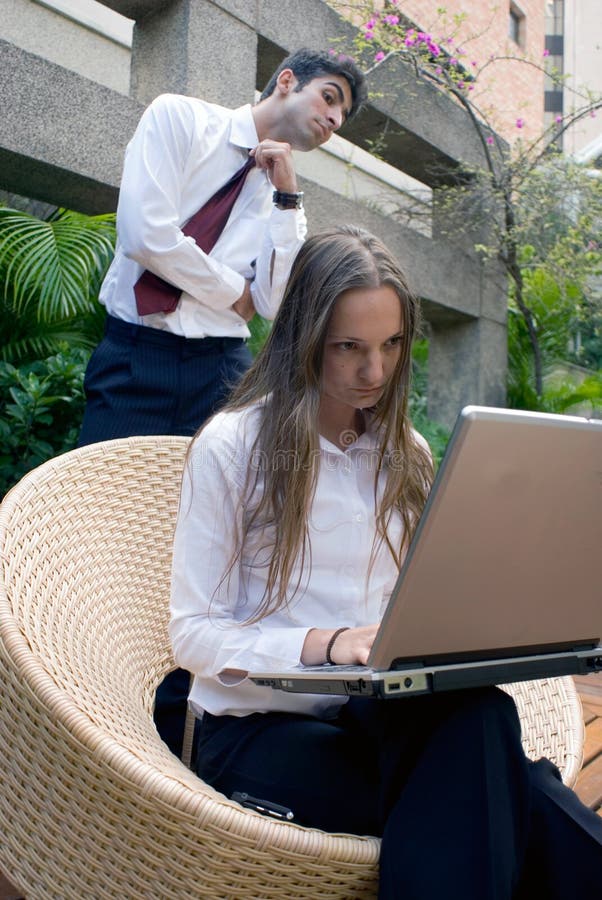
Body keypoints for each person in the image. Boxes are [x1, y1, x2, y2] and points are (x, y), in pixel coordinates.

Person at [170, 225, 602, 899]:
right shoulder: (234, 449)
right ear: (304, 338)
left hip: (374, 715)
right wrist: (328, 644)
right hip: (254, 730)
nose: (375, 372)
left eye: (392, 345)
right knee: (499, 788)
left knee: (481, 718)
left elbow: (415, 604)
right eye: (349, 348)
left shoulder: (410, 456)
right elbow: (192, 633)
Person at [77, 49, 366, 757]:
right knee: (100, 531)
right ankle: (84, 718)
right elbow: (144, 235)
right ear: (287, 81)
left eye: (343, 115)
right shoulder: (180, 120)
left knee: (209, 548)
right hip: (136, 353)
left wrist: (289, 197)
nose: (332, 118)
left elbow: (270, 300)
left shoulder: (281, 192)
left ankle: (173, 740)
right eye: (328, 98)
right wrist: (229, 290)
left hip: (221, 374)